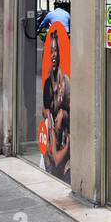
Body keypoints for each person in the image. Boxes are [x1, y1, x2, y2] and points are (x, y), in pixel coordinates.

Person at [42, 29, 70, 180]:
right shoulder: (48, 83)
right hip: (56, 142)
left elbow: (72, 111)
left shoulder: (65, 82)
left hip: (63, 139)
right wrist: (48, 114)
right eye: (50, 51)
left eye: (55, 51)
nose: (53, 54)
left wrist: (63, 115)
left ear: (60, 53)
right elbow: (45, 108)